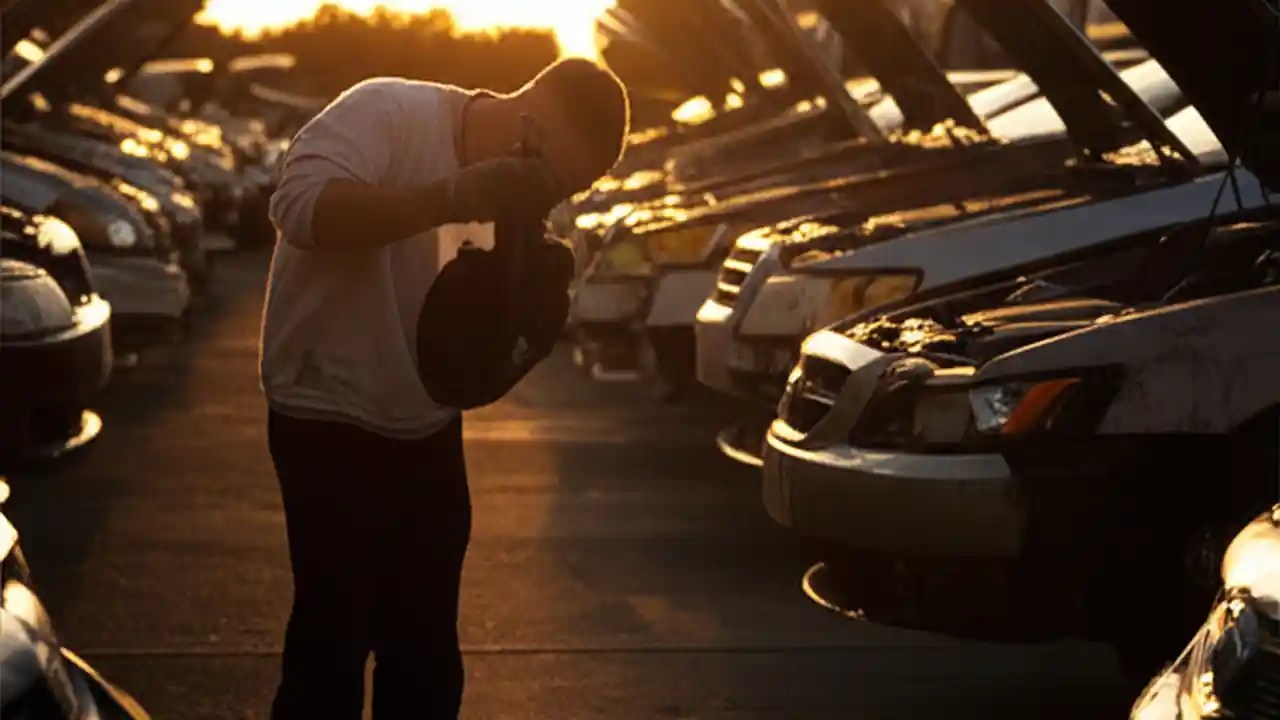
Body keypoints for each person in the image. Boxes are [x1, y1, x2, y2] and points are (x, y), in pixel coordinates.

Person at [260, 58, 629, 720]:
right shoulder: (387, 111)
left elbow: (479, 346)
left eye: (565, 192)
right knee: (331, 648)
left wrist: (527, 315)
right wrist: (452, 197)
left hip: (425, 420)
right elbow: (302, 211)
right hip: (325, 409)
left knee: (426, 656)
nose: (550, 200)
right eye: (550, 182)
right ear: (527, 126)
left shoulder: (526, 206)